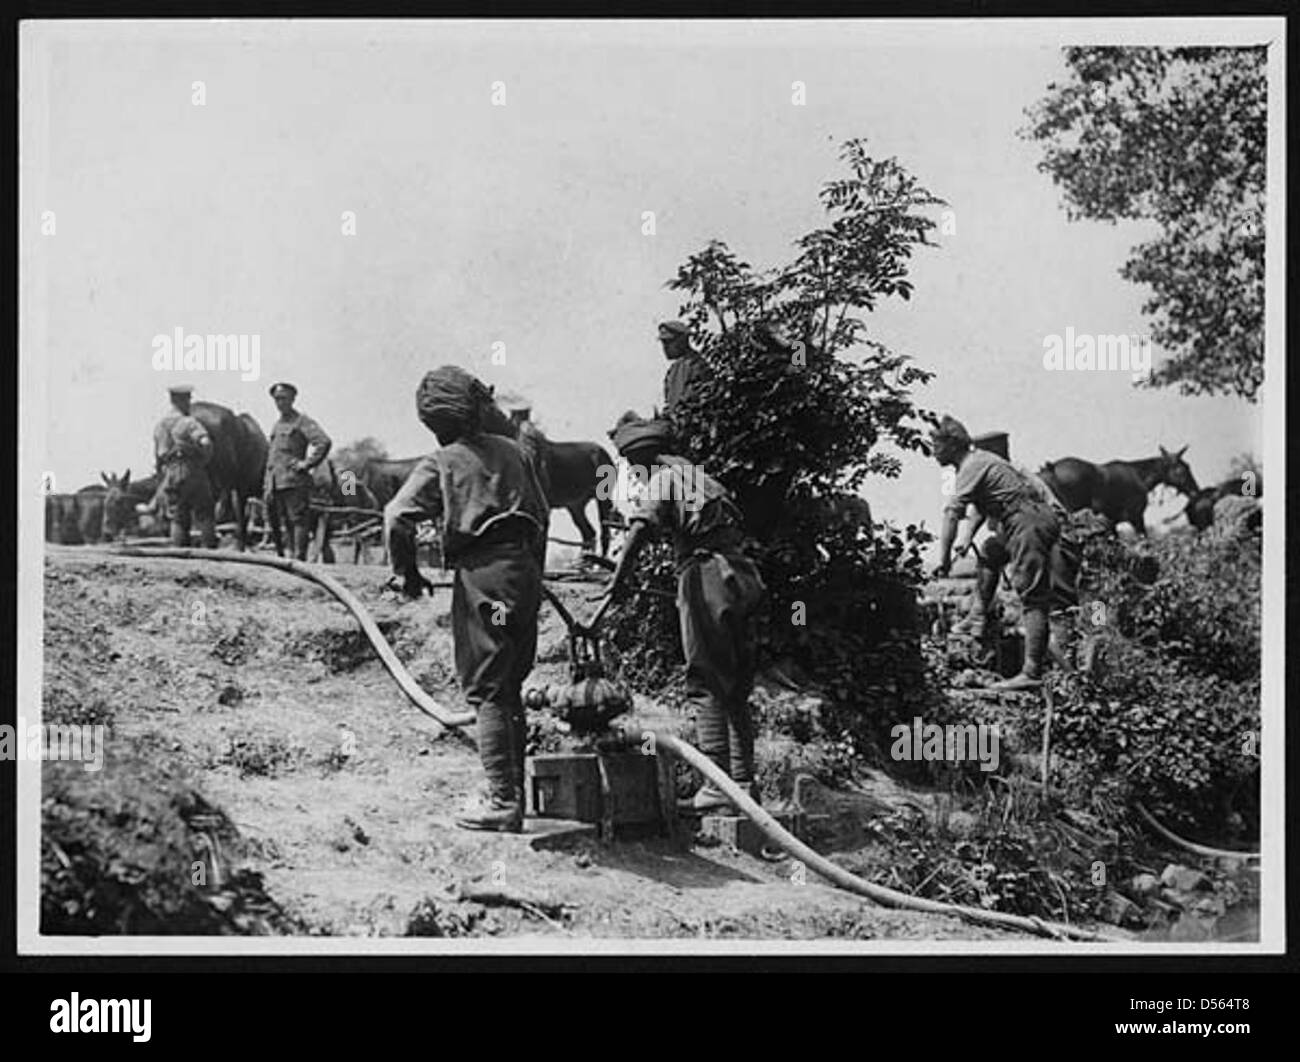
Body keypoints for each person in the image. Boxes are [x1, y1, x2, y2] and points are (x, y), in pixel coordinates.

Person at [408, 366, 550, 832]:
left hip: (481, 574)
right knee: (510, 685)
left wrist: (406, 573)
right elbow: (543, 516)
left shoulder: (443, 462)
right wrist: (533, 576)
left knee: (486, 687)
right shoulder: (515, 451)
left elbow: (395, 518)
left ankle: (501, 800)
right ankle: (516, 800)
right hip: (523, 571)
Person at [604, 414, 765, 811]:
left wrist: (620, 579)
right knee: (736, 685)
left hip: (706, 574)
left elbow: (641, 528)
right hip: (743, 575)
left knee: (706, 680)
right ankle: (742, 783)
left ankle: (715, 785)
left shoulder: (661, 478)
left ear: (636, 459)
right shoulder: (697, 474)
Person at [931, 415, 1077, 690]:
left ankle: (1037, 671)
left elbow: (952, 513)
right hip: (1026, 522)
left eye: (935, 444)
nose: (932, 452)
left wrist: (944, 559)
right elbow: (981, 509)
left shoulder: (973, 465)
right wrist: (965, 539)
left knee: (1041, 598)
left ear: (952, 445)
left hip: (1031, 524)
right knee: (991, 551)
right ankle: (977, 614)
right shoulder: (986, 464)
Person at [264, 382, 332, 561]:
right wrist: (268, 483)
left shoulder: (302, 421)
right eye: (277, 399)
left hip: (294, 481)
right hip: (277, 482)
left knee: (298, 521)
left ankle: (299, 560)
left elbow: (323, 442)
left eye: (284, 398)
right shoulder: (277, 425)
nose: (280, 402)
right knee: (286, 521)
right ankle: (290, 558)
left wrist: (306, 464)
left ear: (293, 399)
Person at [153, 384, 217, 548]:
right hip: (191, 470)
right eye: (188, 400)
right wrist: (204, 459)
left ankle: (180, 556)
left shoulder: (160, 425)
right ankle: (211, 556)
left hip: (171, 472)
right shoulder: (189, 422)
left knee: (178, 516)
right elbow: (206, 442)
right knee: (204, 512)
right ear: (184, 400)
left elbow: (159, 456)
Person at [659, 321, 711, 427]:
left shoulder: (696, 365)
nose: (664, 348)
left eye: (668, 342)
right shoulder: (673, 370)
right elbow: (670, 404)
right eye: (663, 343)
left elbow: (697, 401)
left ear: (682, 341)